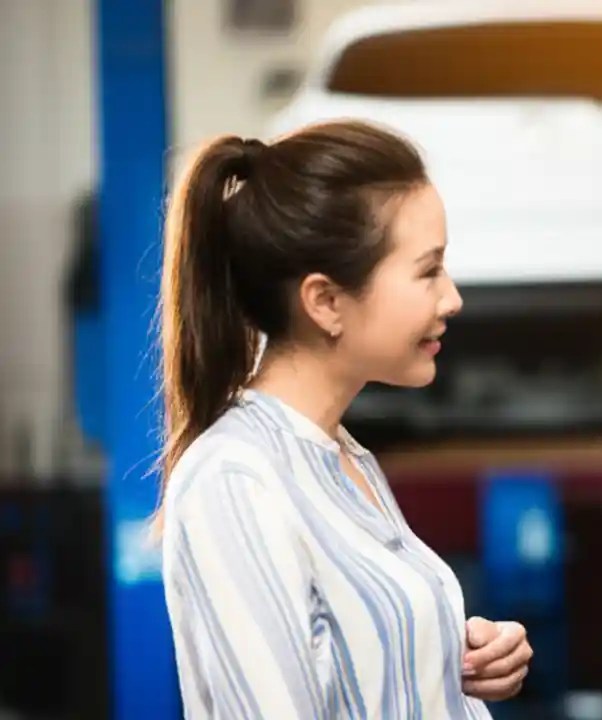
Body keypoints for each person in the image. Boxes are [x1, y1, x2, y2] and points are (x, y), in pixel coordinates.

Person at [155, 120, 532, 719]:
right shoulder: (236, 480)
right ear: (325, 301)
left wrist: (444, 652)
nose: (452, 297)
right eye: (428, 270)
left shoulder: (343, 459)